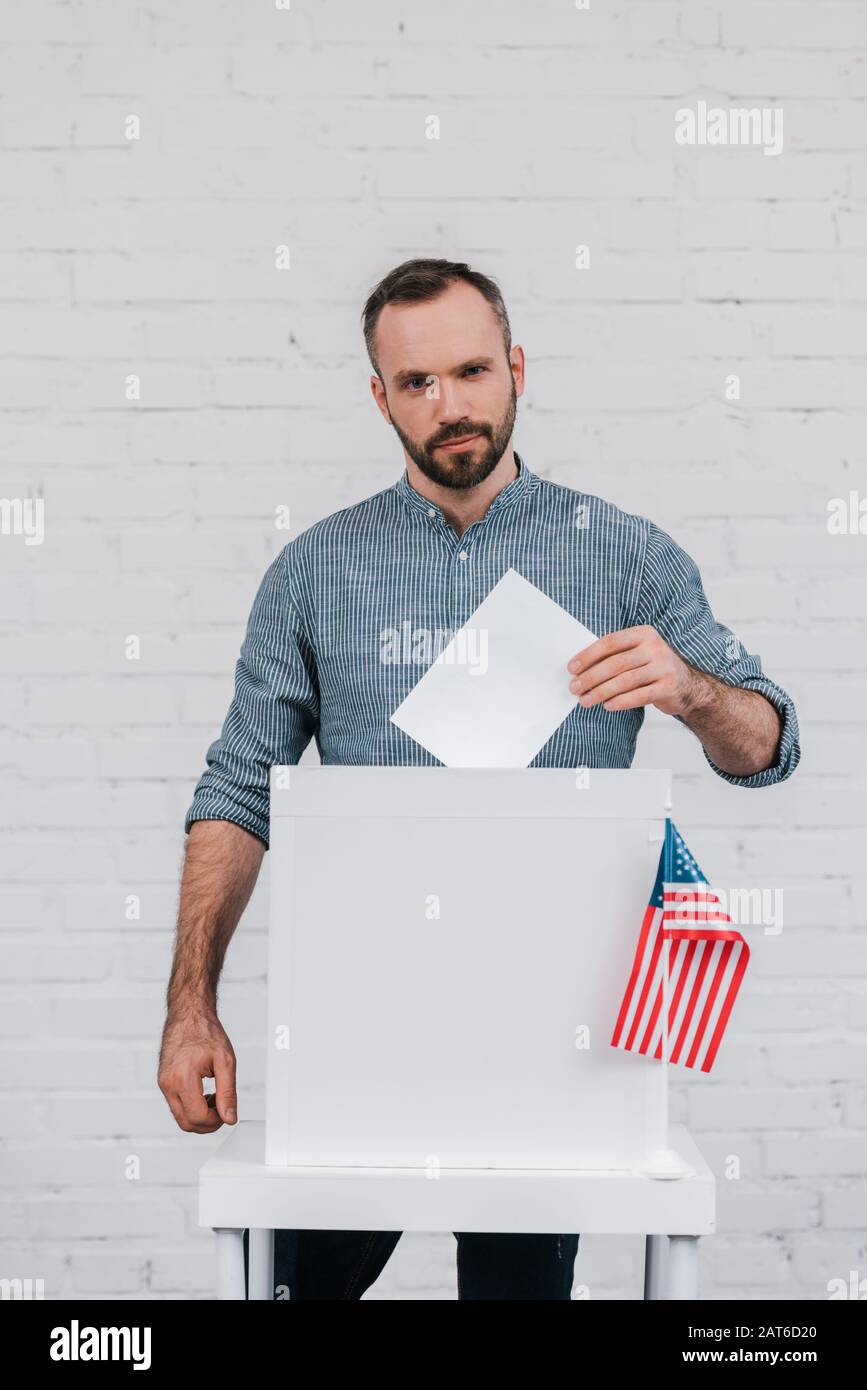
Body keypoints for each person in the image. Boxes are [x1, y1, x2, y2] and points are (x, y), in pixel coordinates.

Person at [158, 258, 801, 1300]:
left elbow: (768, 747)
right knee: (299, 1291)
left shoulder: (627, 556)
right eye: (415, 383)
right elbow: (239, 787)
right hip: (362, 1021)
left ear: (515, 367)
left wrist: (689, 689)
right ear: (379, 396)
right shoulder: (314, 572)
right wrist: (192, 1007)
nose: (448, 405)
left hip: (558, 1031)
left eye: (469, 370)